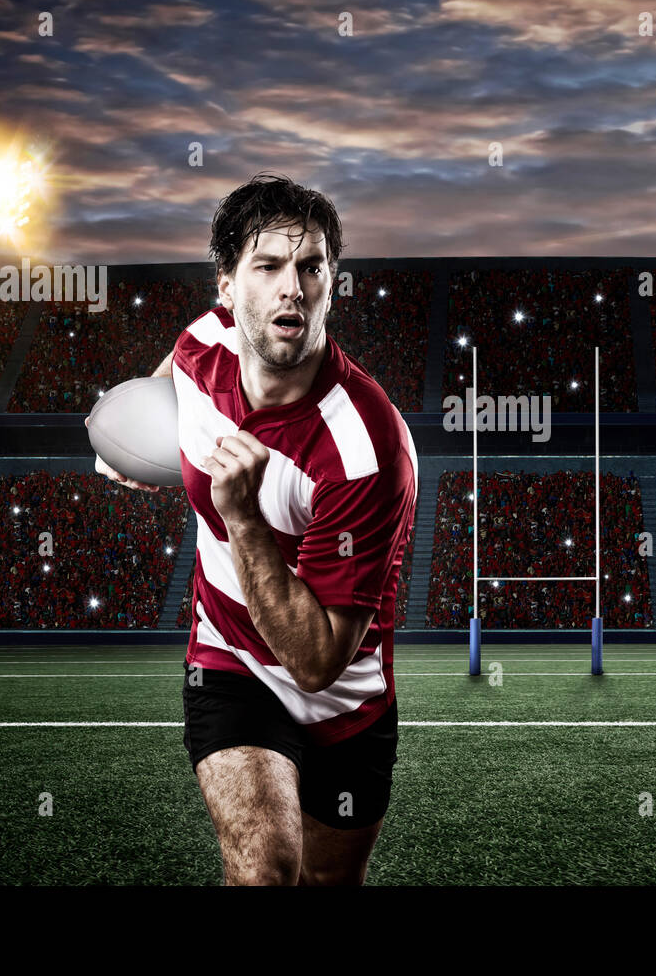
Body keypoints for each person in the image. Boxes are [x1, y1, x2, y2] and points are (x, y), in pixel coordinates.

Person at [92, 173, 417, 885]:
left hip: (343, 700)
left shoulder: (367, 448)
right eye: (266, 266)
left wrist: (241, 515)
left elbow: (317, 659)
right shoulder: (199, 347)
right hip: (230, 663)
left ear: (334, 283)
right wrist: (130, 446)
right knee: (266, 869)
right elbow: (162, 389)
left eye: (311, 267)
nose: (291, 288)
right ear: (227, 287)